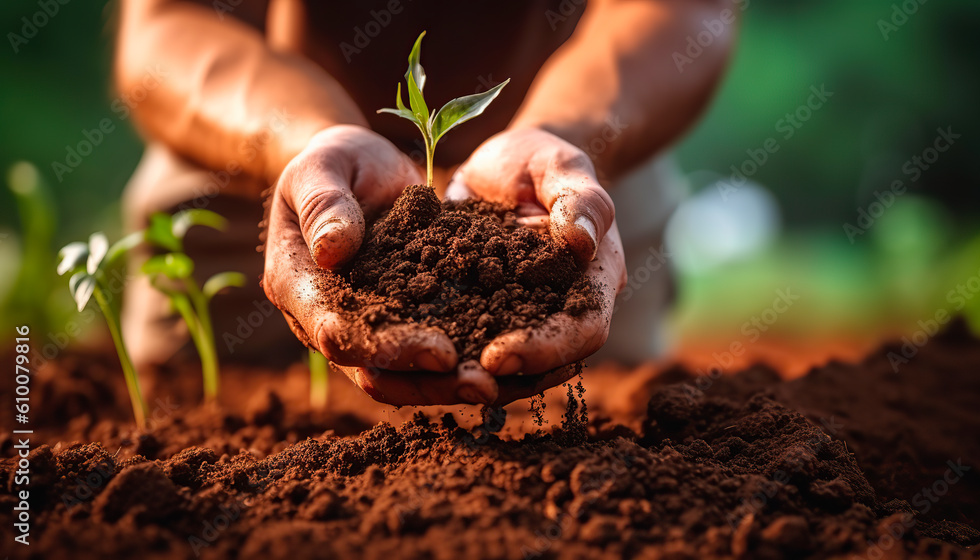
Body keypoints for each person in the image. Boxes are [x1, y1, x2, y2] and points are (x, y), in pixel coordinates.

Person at [116, 0, 736, 406]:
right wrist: (309, 141)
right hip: (260, 129)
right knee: (188, 399)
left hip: (578, 143)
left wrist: (568, 136)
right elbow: (165, 25)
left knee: (610, 389)